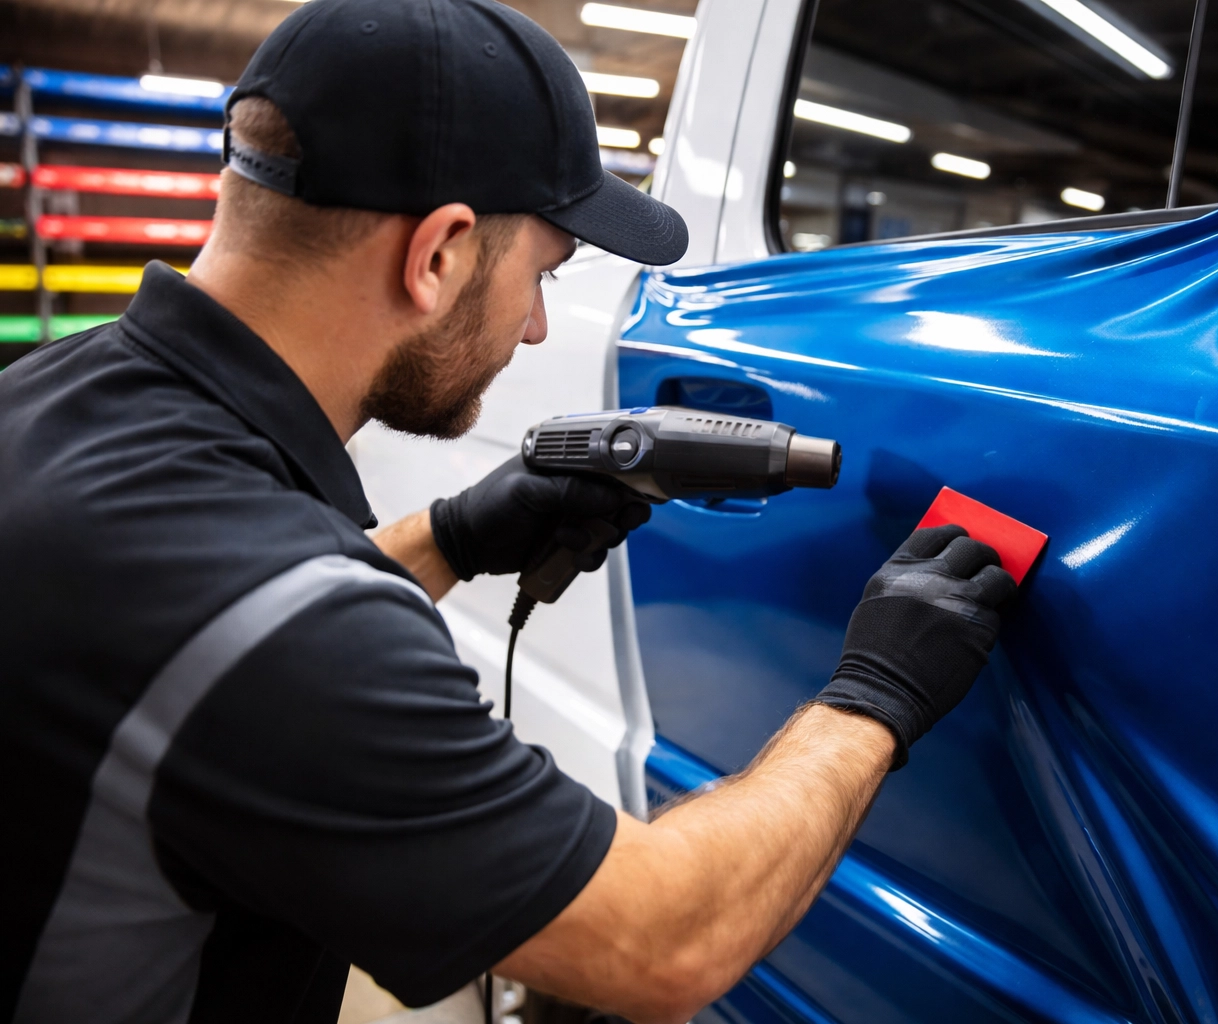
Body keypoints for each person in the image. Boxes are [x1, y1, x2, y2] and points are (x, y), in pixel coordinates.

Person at [0, 0, 1016, 1021]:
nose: (535, 328)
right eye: (542, 276)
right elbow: (667, 938)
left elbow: (210, 650)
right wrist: (869, 701)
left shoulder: (49, 402)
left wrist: (452, 535)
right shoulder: (272, 619)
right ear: (437, 255)